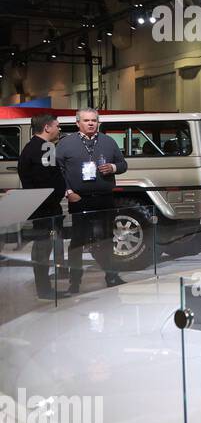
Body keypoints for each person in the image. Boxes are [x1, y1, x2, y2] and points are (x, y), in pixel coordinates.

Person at [55, 108, 129, 291]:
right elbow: (57, 171)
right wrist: (68, 191)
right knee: (77, 242)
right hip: (80, 200)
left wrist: (113, 167)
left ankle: (112, 276)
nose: (90, 123)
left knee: (106, 239)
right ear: (77, 123)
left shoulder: (108, 141)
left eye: (94, 120)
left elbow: (123, 164)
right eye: (86, 120)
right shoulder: (65, 144)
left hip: (104, 199)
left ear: (98, 123)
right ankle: (75, 282)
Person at [17, 113, 67, 299]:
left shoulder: (34, 147)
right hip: (45, 210)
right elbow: (46, 182)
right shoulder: (43, 148)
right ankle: (44, 289)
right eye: (57, 125)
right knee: (42, 250)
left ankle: (44, 288)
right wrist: (56, 196)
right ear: (47, 127)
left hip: (45, 208)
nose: (59, 129)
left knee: (43, 250)